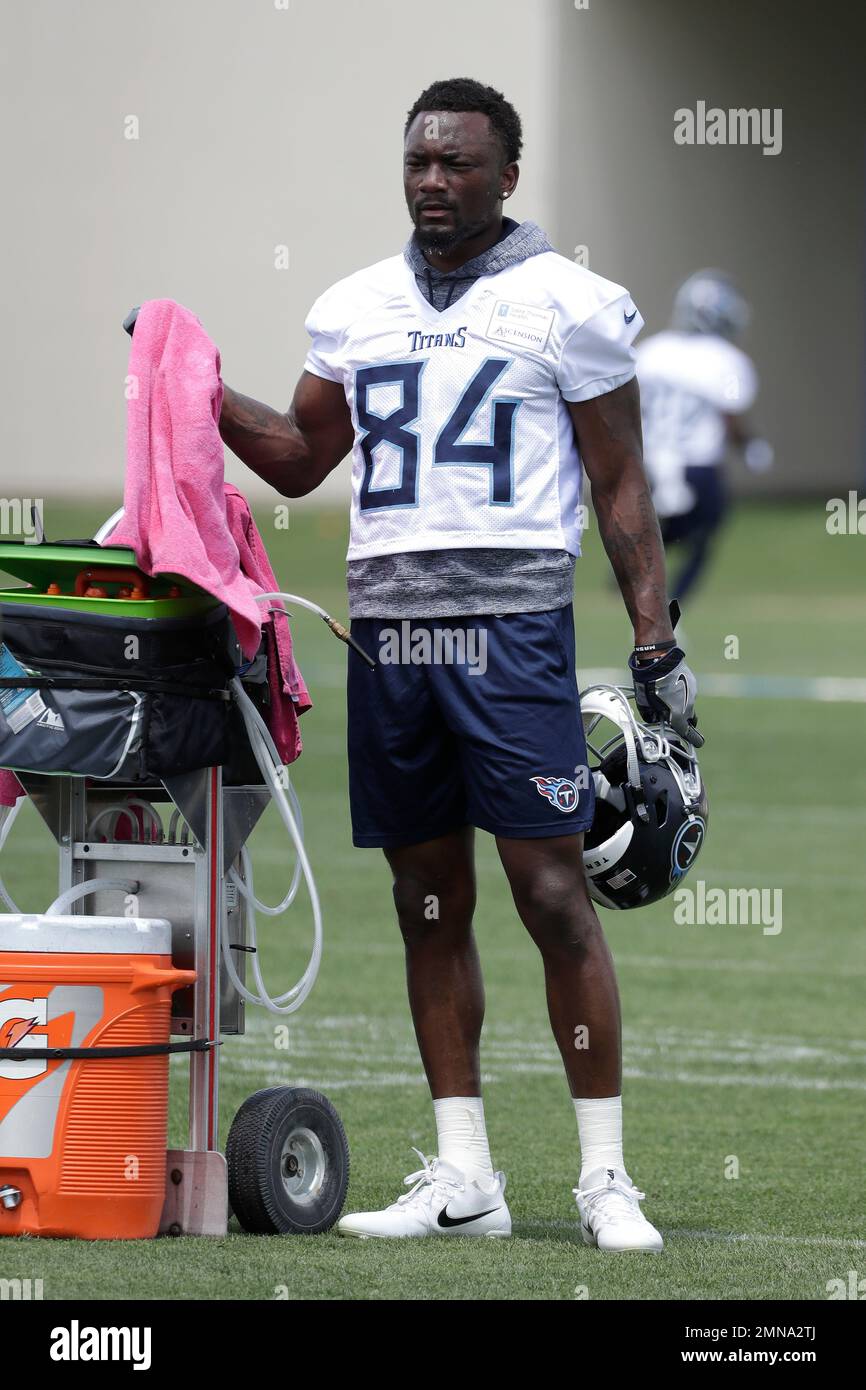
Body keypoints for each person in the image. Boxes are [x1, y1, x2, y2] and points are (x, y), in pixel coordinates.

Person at [218, 77, 701, 1252]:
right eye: (418, 161)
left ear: (506, 176)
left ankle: (603, 1177)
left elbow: (619, 482)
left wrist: (654, 638)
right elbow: (295, 459)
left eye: (458, 164)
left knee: (551, 894)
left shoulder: (570, 302)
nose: (433, 181)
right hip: (388, 638)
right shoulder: (354, 305)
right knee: (424, 902)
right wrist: (196, 384)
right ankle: (464, 1174)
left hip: (510, 634)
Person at [637, 270, 773, 602]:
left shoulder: (651, 351)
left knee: (656, 539)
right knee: (700, 540)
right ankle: (672, 609)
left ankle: (641, 590)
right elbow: (731, 417)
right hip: (697, 465)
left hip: (650, 463)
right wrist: (751, 447)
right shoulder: (726, 360)